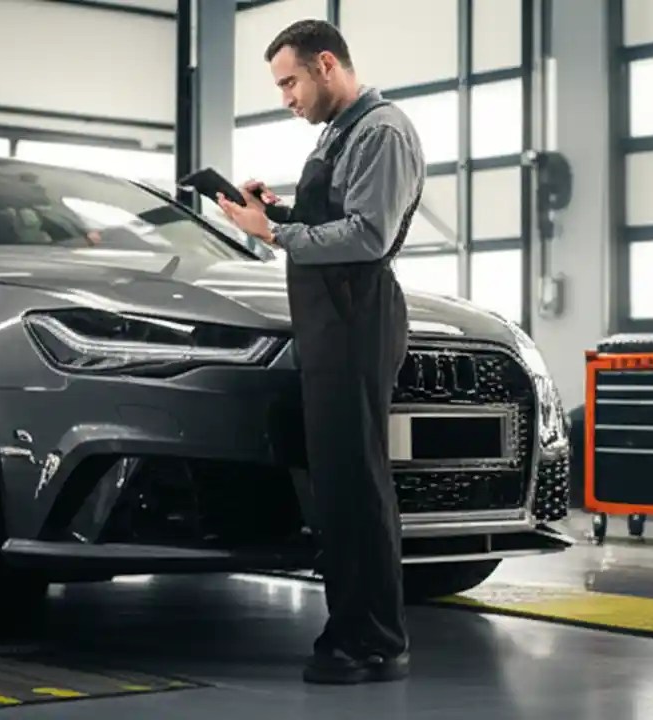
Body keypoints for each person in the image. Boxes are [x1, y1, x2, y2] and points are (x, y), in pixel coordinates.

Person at [215, 19, 425, 685]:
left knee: (359, 485)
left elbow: (368, 234)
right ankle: (350, 627)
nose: (286, 97)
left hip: (358, 318)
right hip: (329, 322)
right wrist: (273, 214)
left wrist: (274, 236)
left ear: (326, 64)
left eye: (290, 81)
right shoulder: (340, 131)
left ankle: (377, 642)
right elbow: (331, 219)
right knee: (336, 485)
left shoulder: (382, 130)